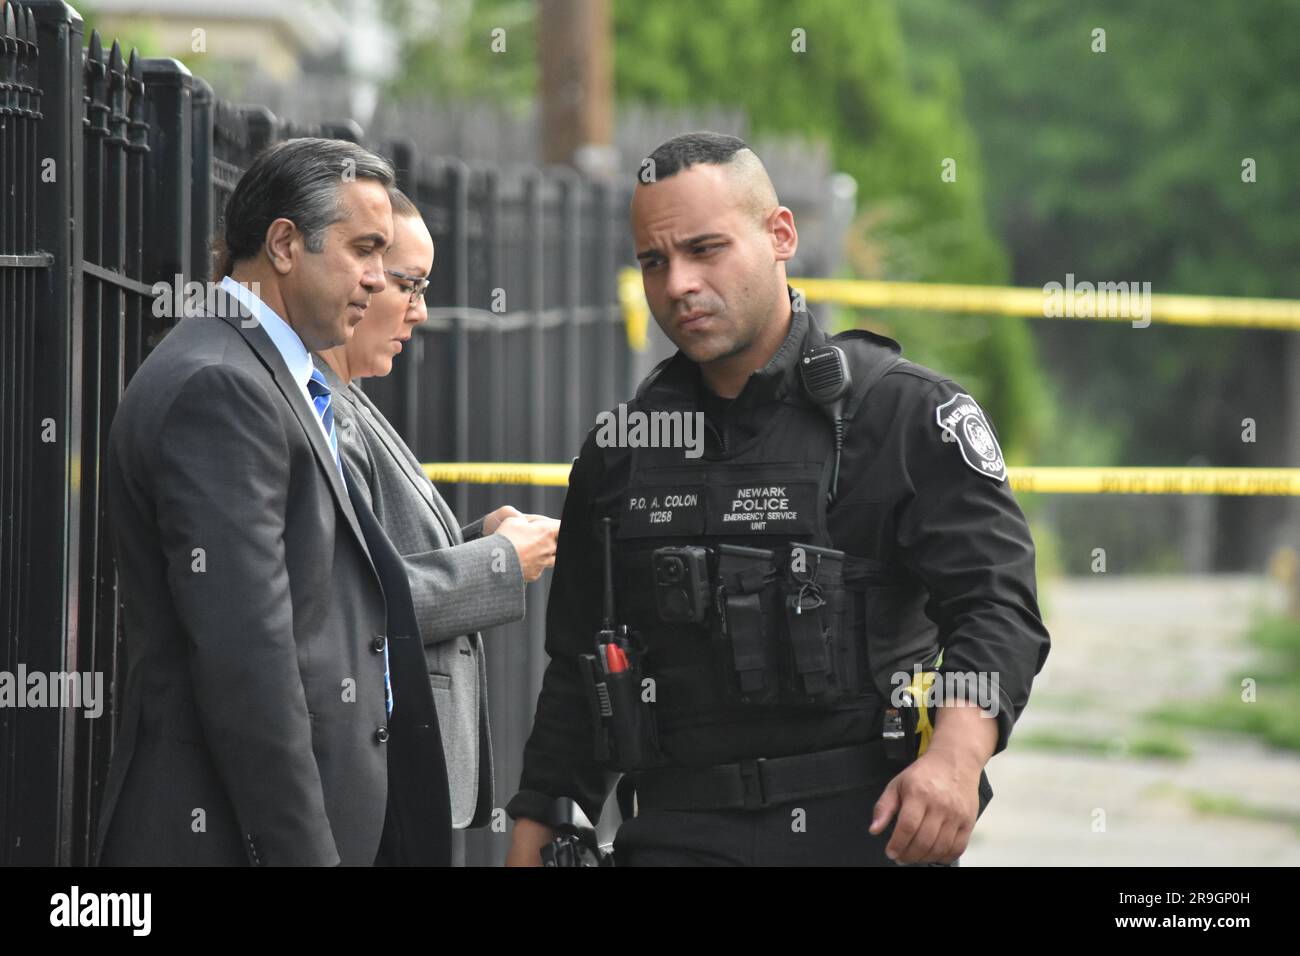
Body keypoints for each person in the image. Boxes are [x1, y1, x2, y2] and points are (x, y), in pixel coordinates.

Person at [505, 132, 1051, 867]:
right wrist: (535, 832)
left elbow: (997, 609)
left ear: (780, 234)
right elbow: (578, 669)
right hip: (674, 833)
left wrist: (955, 758)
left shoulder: (902, 416)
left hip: (861, 830)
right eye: (654, 262)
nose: (678, 285)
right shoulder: (624, 448)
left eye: (706, 249)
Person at [96, 137, 446, 866]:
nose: (381, 281)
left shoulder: (268, 372)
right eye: (365, 250)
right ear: (285, 244)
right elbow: (248, 667)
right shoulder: (221, 386)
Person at [313, 188, 559, 853]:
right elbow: (357, 606)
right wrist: (501, 561)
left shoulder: (347, 397)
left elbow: (380, 559)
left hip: (404, 771)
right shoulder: (322, 409)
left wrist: (474, 540)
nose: (420, 312)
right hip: (380, 775)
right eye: (409, 285)